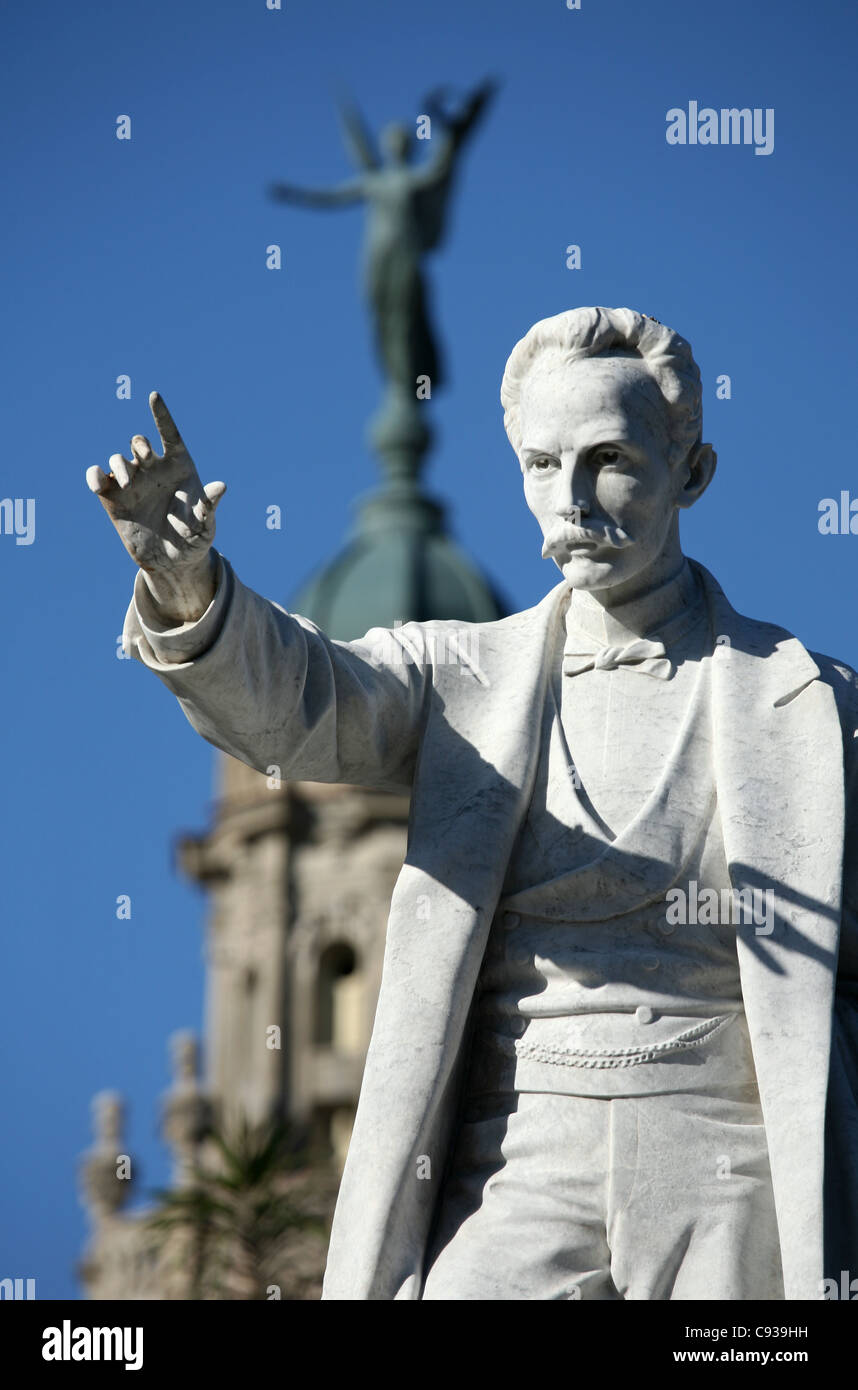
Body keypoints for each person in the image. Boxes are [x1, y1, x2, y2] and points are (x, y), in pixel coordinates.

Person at [87, 306, 858, 1300]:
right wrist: (187, 585)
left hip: (727, 1168)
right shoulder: (459, 680)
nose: (571, 498)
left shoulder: (812, 708)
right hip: (516, 1168)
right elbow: (298, 703)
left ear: (691, 475)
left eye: (608, 458)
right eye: (542, 465)